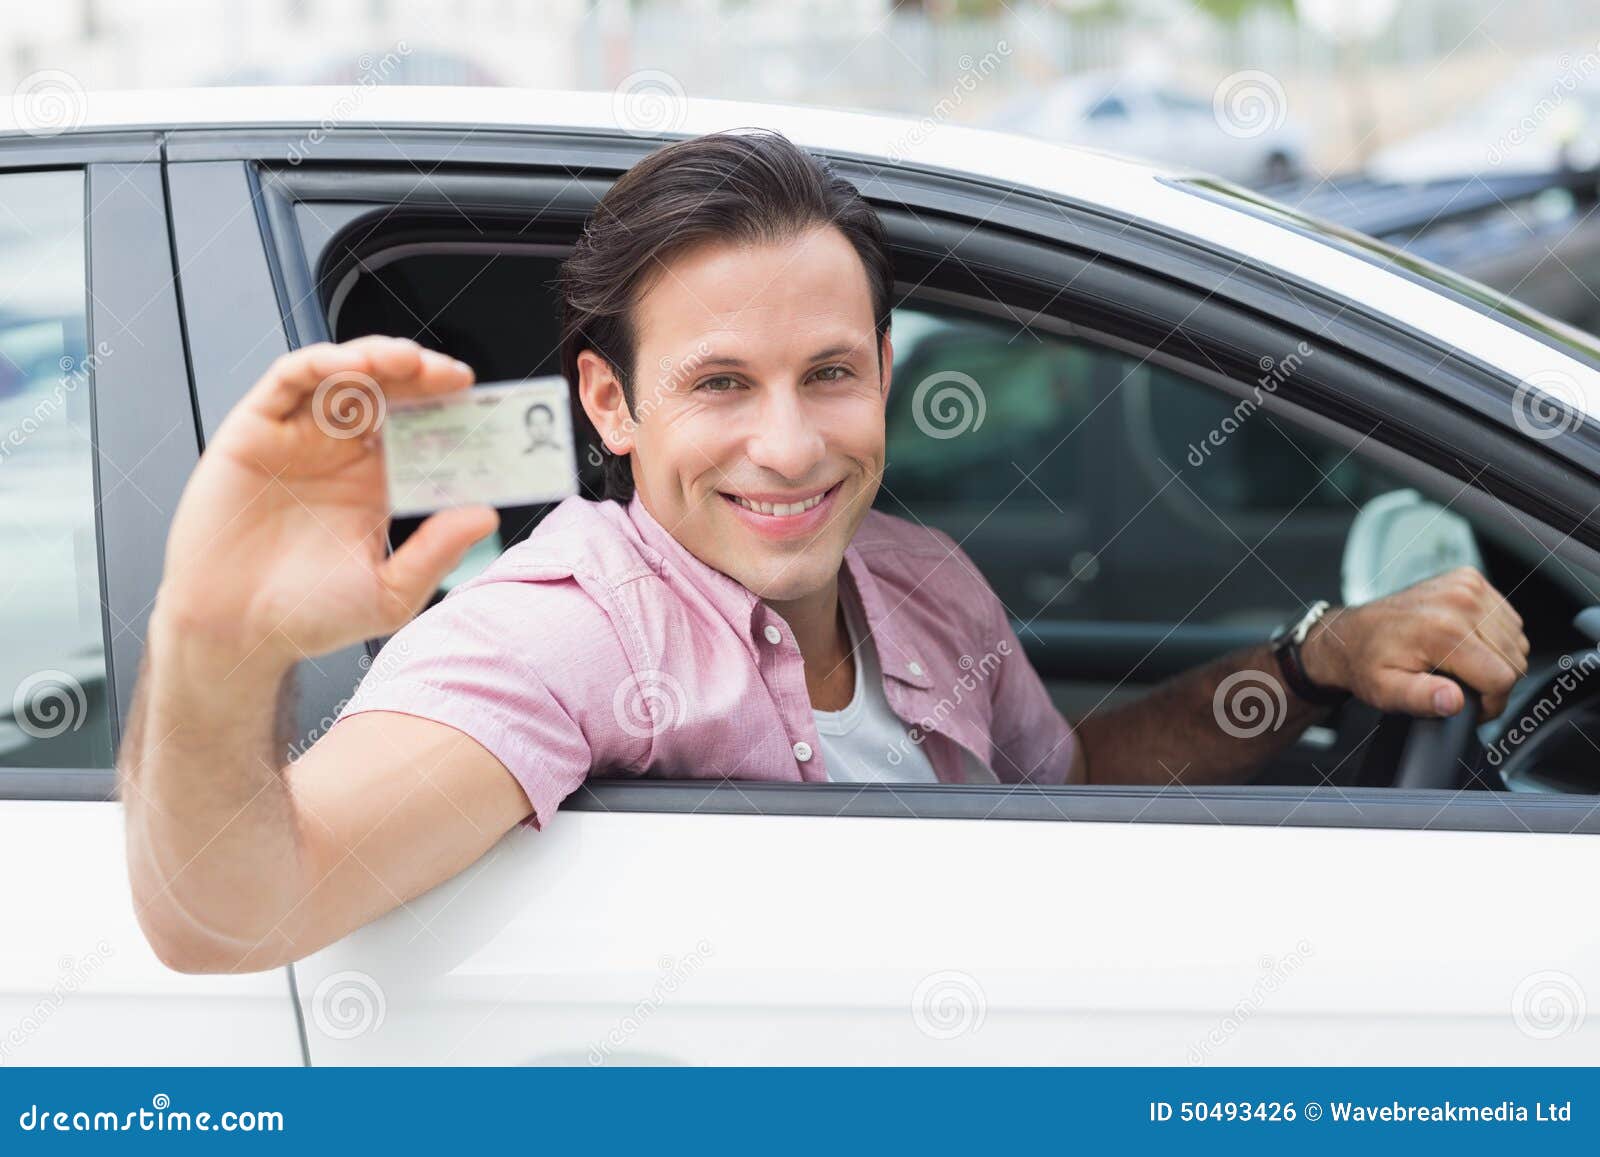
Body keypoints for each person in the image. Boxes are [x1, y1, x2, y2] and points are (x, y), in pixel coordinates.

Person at [120, 130, 1528, 974]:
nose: (790, 448)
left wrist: (1312, 660)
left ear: (888, 372)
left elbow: (1061, 787)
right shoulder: (567, 629)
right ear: (609, 403)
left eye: (830, 375)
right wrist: (214, 641)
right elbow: (228, 915)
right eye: (721, 385)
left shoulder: (918, 577)